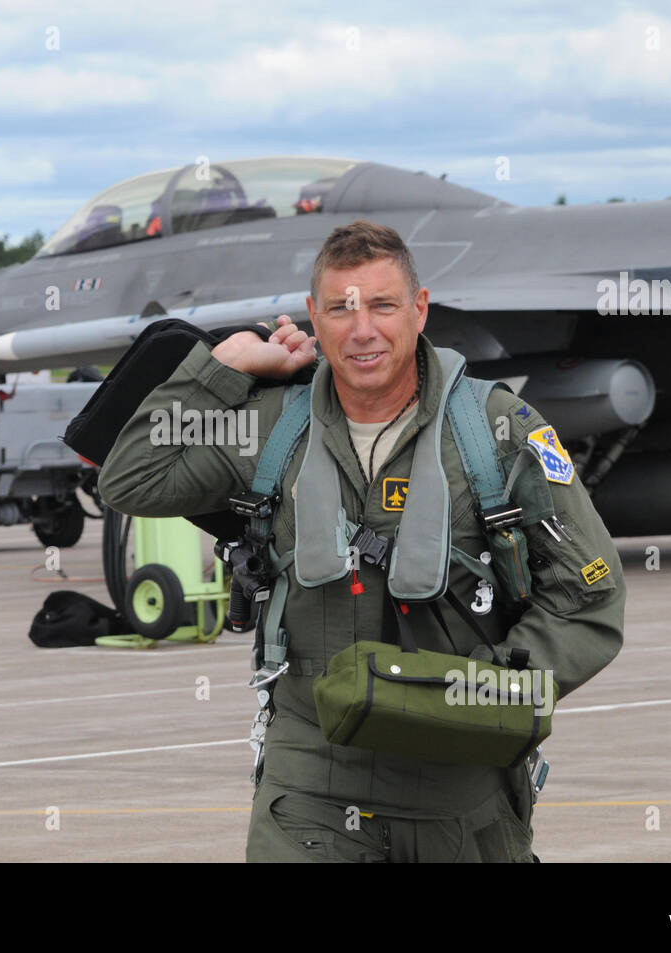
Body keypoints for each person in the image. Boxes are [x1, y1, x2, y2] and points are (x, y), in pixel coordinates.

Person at [98, 220, 624, 862]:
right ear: (314, 319)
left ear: (419, 309)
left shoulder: (499, 433)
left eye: (382, 304)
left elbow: (589, 593)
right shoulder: (269, 428)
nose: (363, 329)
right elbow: (130, 479)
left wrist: (490, 692)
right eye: (341, 309)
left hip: (460, 786)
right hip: (311, 788)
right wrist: (225, 367)